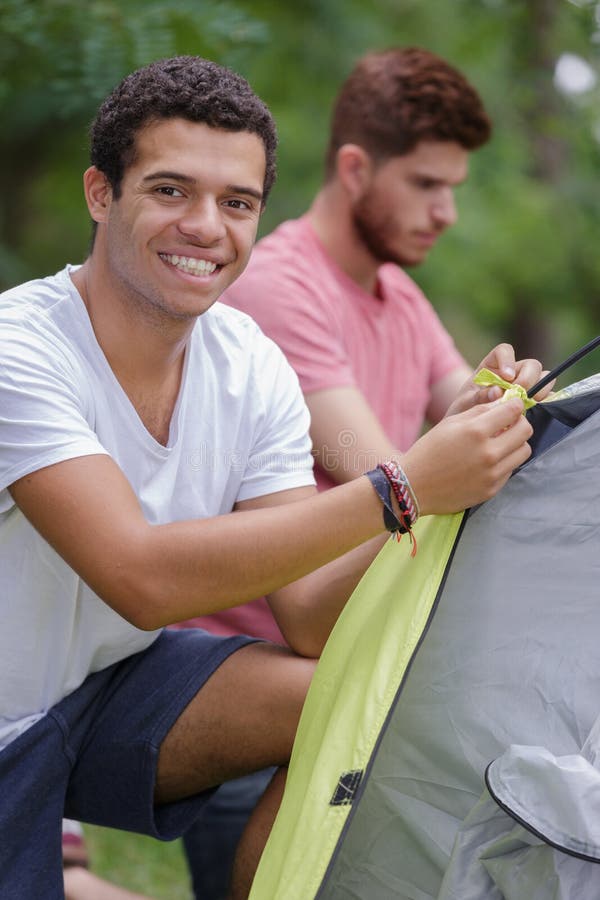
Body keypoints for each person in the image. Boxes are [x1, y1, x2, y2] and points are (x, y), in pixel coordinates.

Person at [0, 54, 540, 900]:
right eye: (171, 190)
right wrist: (405, 487)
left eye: (237, 203)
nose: (206, 227)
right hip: (13, 716)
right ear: (101, 194)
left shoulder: (249, 362)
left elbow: (313, 616)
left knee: (354, 697)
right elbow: (139, 577)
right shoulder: (20, 351)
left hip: (102, 688)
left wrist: (454, 476)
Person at [182, 46, 532, 896]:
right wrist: (470, 444)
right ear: (353, 168)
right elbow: (390, 483)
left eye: (454, 188)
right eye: (426, 184)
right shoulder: (281, 287)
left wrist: (518, 405)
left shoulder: (397, 295)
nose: (446, 212)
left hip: (351, 666)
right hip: (249, 687)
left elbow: (471, 420)